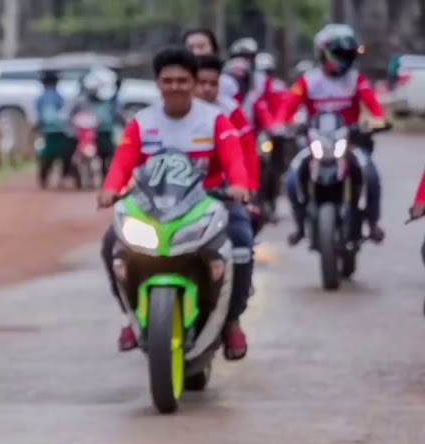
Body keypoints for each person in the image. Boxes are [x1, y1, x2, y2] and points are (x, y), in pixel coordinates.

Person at [98, 47, 253, 359]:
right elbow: (122, 162)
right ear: (157, 83)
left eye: (182, 80)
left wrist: (238, 185)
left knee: (240, 242)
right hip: (152, 207)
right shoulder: (142, 122)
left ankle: (232, 321)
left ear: (194, 83)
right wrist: (110, 189)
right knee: (111, 245)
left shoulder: (216, 121)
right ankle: (131, 316)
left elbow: (235, 160)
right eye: (167, 80)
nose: (175, 87)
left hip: (209, 204)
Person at [275, 24, 389, 246]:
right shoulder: (308, 81)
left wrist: (377, 122)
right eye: (339, 54)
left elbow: (375, 108)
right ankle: (300, 226)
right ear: (323, 53)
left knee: (372, 177)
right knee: (291, 180)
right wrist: (281, 125)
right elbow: (286, 108)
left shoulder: (357, 80)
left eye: (348, 54)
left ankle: (372, 223)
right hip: (315, 144)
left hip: (351, 144)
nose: (344, 59)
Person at [196, 55, 260, 198]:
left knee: (242, 219)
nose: (207, 88)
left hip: (219, 191)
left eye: (213, 84)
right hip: (176, 194)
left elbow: (245, 151)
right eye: (202, 83)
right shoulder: (173, 112)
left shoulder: (229, 111)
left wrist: (247, 185)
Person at [69, 67, 119, 178]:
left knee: (107, 156)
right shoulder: (81, 101)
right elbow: (70, 115)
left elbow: (115, 115)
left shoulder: (109, 101)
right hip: (86, 134)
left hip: (105, 132)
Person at [35, 69, 73, 187]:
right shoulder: (59, 98)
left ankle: (44, 177)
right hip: (60, 131)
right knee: (67, 154)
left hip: (48, 132)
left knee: (47, 156)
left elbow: (39, 116)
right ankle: (64, 176)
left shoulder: (40, 99)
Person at [184, 27, 240, 103]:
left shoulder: (227, 84)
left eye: (201, 47)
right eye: (190, 48)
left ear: (214, 49)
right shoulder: (176, 81)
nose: (196, 52)